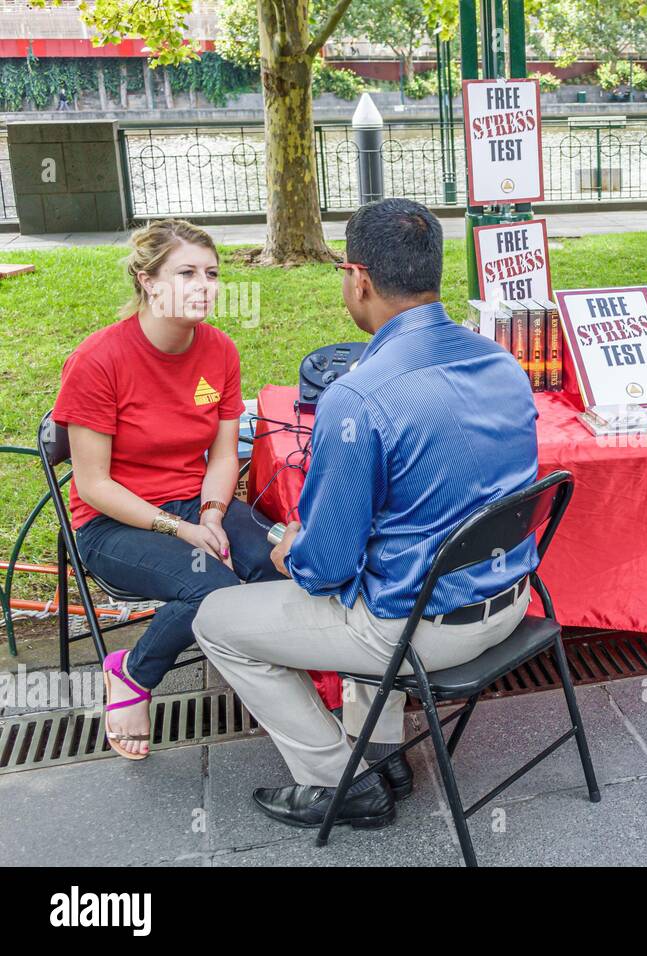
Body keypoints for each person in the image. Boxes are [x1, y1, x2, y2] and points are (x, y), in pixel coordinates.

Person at [192, 198, 540, 832]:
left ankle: (340, 781)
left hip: (426, 629)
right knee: (370, 572)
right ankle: (382, 755)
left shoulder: (357, 395)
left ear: (359, 279)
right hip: (514, 598)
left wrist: (287, 547)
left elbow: (325, 569)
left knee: (215, 617)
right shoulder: (501, 359)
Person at [52, 219, 281, 759]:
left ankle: (267, 667)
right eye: (186, 273)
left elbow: (224, 454)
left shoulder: (220, 351)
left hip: (193, 505)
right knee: (215, 588)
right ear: (148, 282)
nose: (204, 285)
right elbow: (94, 484)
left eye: (212, 273)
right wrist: (180, 529)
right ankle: (131, 674)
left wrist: (212, 513)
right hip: (113, 523)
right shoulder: (97, 360)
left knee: (282, 558)